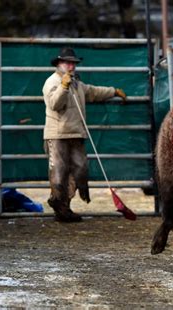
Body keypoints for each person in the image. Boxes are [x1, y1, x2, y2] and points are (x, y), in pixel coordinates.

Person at [42, 47, 127, 222]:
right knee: (59, 172)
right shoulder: (52, 82)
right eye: (67, 62)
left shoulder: (76, 83)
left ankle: (63, 205)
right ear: (59, 64)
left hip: (76, 133)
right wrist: (63, 86)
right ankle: (60, 205)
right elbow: (54, 104)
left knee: (80, 169)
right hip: (57, 135)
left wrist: (112, 91)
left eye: (73, 63)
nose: (71, 66)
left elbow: (92, 92)